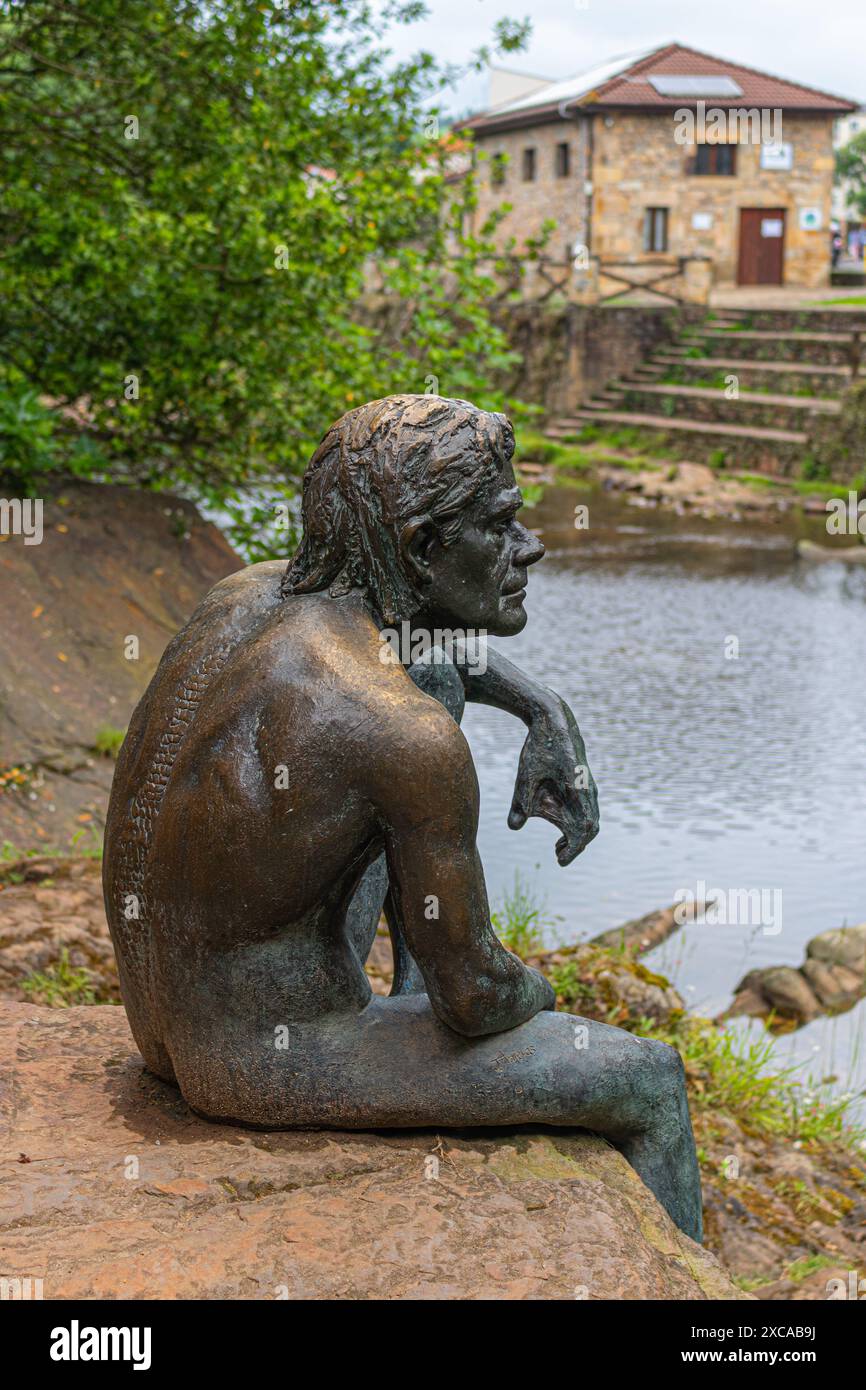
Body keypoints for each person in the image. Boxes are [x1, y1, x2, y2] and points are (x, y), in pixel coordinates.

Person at [104, 394, 702, 1241]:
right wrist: (539, 988)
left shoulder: (243, 599)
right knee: (650, 1081)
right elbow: (480, 1002)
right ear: (422, 547)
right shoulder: (402, 735)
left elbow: (427, 641)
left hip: (163, 1014)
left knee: (441, 678)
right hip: (260, 1058)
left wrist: (542, 707)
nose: (531, 546)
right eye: (502, 524)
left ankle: (408, 993)